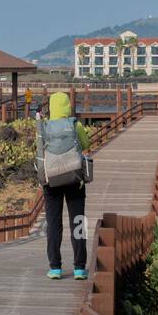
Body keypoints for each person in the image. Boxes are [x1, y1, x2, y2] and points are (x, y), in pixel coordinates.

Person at [38, 91, 91, 279]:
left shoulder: (43, 127)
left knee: (53, 223)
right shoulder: (75, 125)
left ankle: (55, 268)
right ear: (68, 106)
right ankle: (79, 267)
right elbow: (85, 144)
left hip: (51, 181)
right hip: (74, 178)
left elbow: (39, 152)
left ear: (51, 107)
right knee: (77, 221)